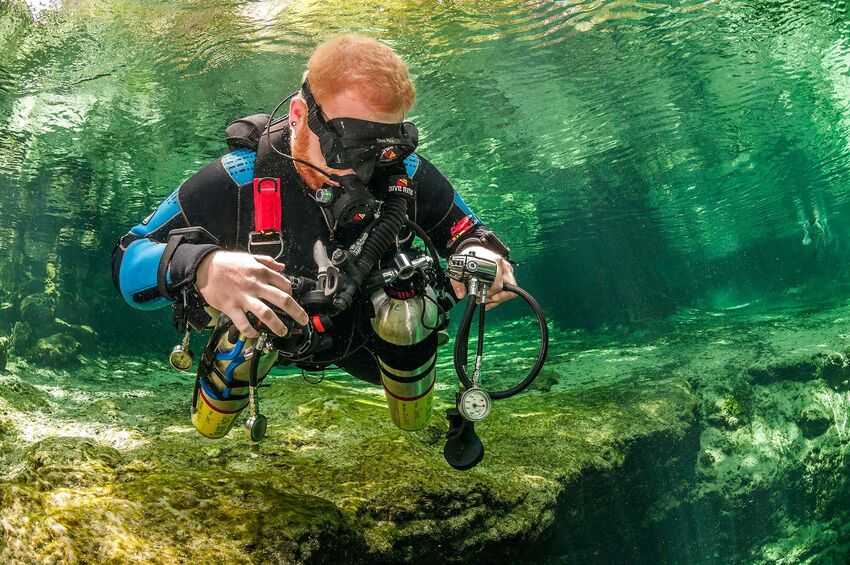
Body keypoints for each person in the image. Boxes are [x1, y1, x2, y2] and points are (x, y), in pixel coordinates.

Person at [111, 34, 517, 388]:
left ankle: (410, 386)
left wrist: (485, 257)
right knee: (232, 362)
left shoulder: (404, 177)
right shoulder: (239, 179)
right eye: (347, 148)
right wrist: (202, 266)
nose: (360, 172)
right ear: (299, 116)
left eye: (383, 151)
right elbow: (128, 258)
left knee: (409, 316)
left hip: (372, 339)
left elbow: (472, 234)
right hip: (268, 338)